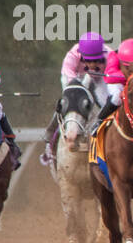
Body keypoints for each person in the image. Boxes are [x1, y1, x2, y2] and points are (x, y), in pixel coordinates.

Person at [40, 31, 111, 165]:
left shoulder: (110, 55)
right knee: (69, 104)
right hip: (75, 78)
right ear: (81, 55)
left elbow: (113, 79)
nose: (92, 64)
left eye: (96, 60)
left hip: (101, 78)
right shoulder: (71, 56)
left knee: (106, 102)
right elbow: (72, 84)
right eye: (88, 60)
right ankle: (50, 140)